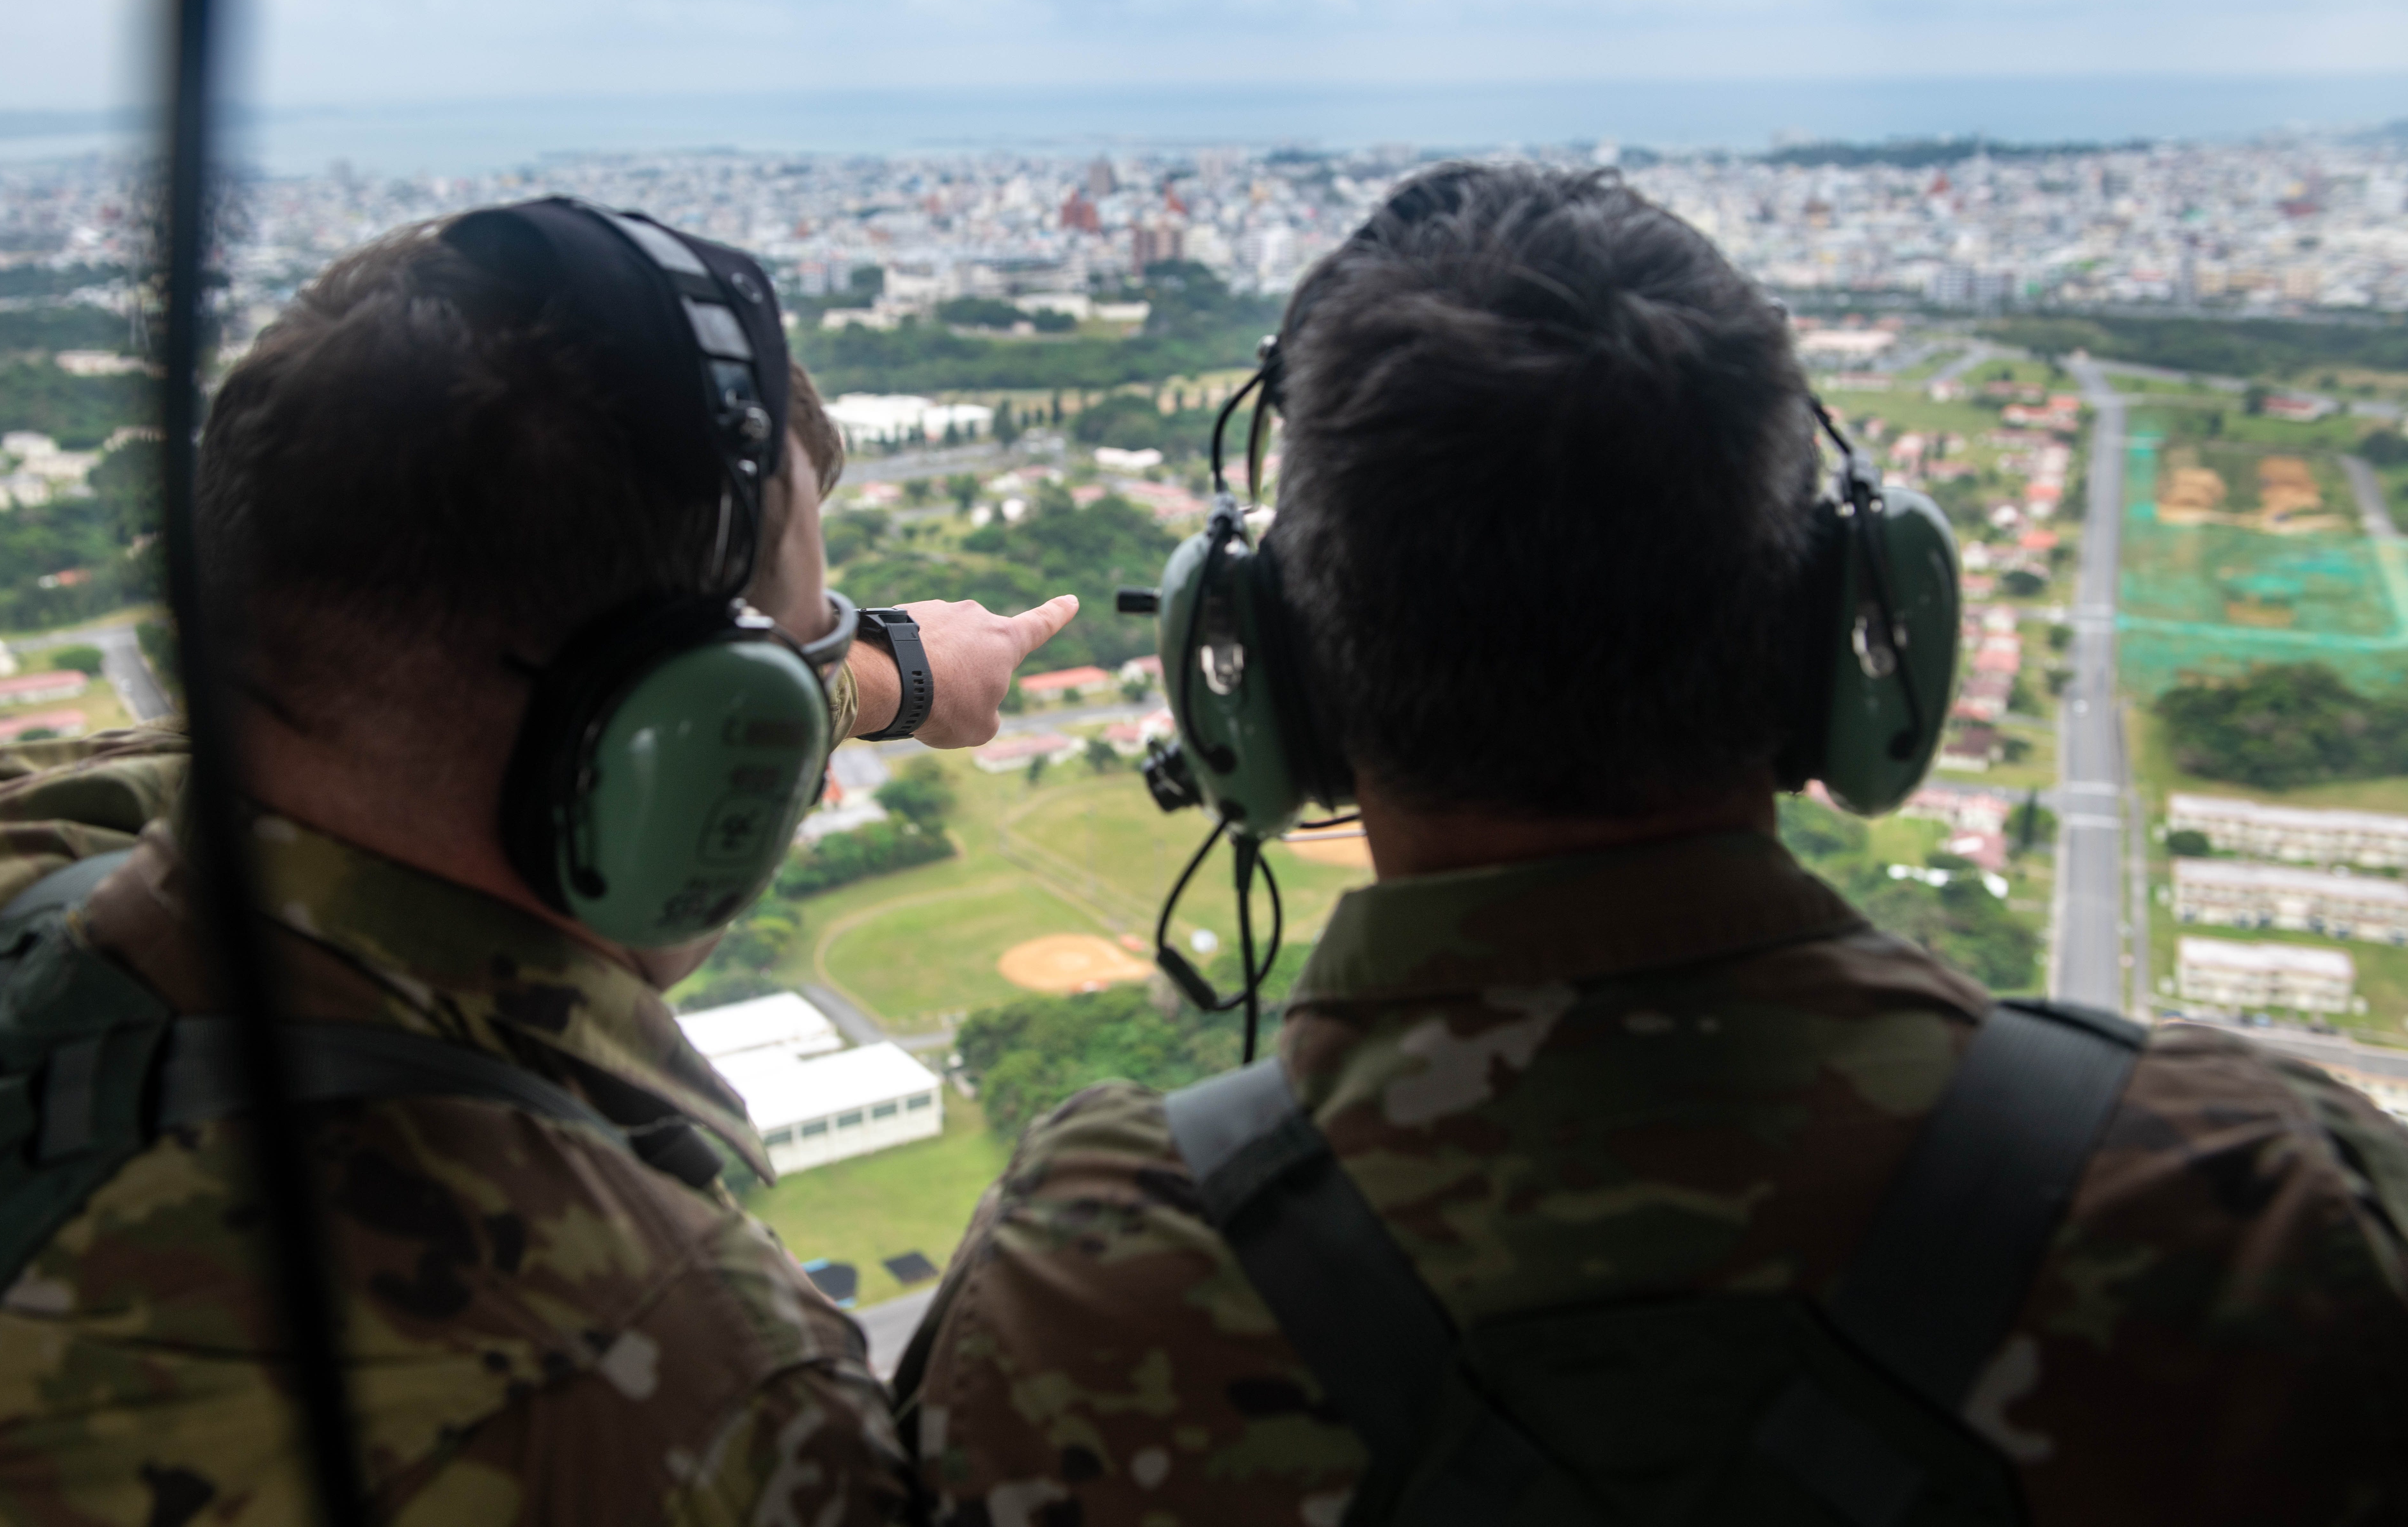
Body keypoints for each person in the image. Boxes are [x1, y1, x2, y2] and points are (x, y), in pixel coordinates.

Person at [898, 165, 2408, 1524]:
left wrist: (857, 681)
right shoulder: (2270, 1213)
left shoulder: (1085, 1293)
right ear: (1845, 638)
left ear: (1271, 683)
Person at [0, 205, 1073, 1524]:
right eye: (782, 681)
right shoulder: (674, 1380)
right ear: (694, 739)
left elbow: (328, 714)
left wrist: (874, 672)